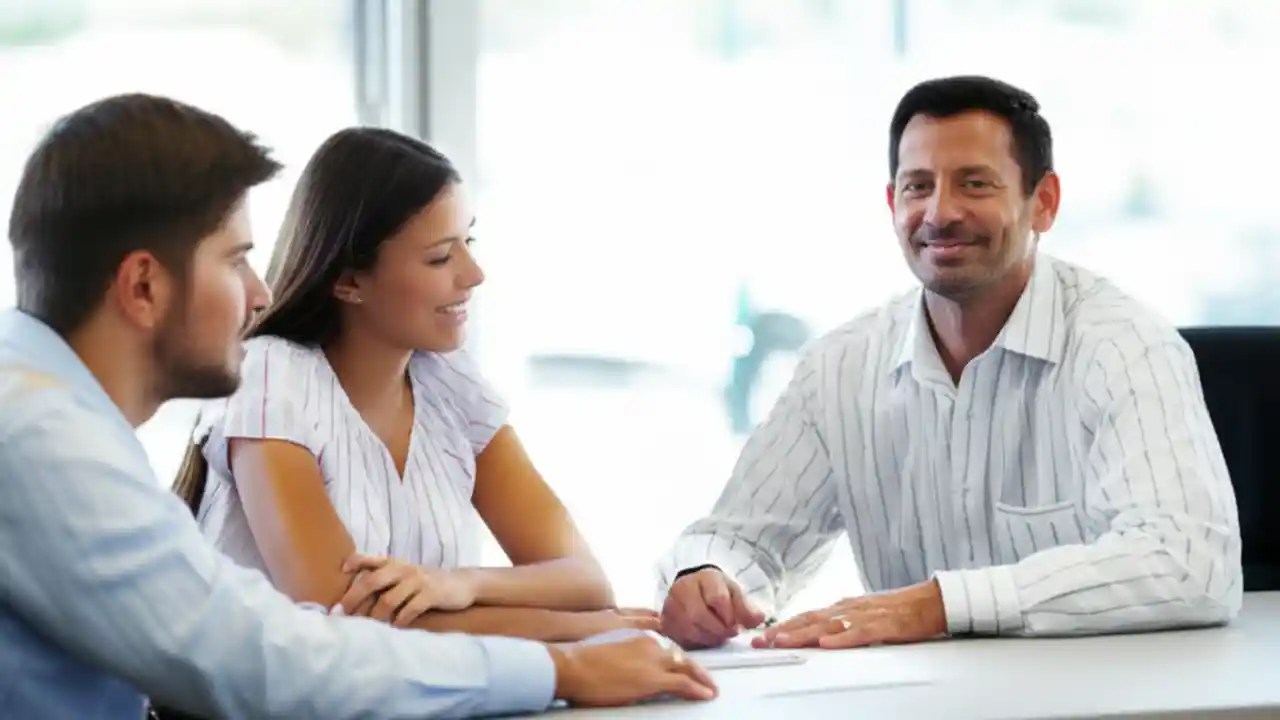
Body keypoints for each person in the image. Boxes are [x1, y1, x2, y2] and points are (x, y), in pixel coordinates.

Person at [0, 93, 715, 719]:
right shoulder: (44, 442)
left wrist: (493, 609)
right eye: (234, 258)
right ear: (143, 287)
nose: (258, 293)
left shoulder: (51, 416)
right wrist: (563, 663)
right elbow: (263, 655)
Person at [656, 75, 1242, 651]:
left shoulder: (1121, 346)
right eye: (917, 187)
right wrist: (708, 579)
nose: (940, 212)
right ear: (891, 203)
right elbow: (743, 540)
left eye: (975, 184)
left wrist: (937, 605)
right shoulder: (840, 368)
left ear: (1044, 203)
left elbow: (1190, 563)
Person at [171, 126, 654, 642]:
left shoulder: (448, 382)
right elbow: (344, 620)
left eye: (468, 241)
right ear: (349, 281)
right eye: (441, 257)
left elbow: (584, 580)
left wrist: (458, 585)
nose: (474, 274)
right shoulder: (271, 378)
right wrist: (577, 632)